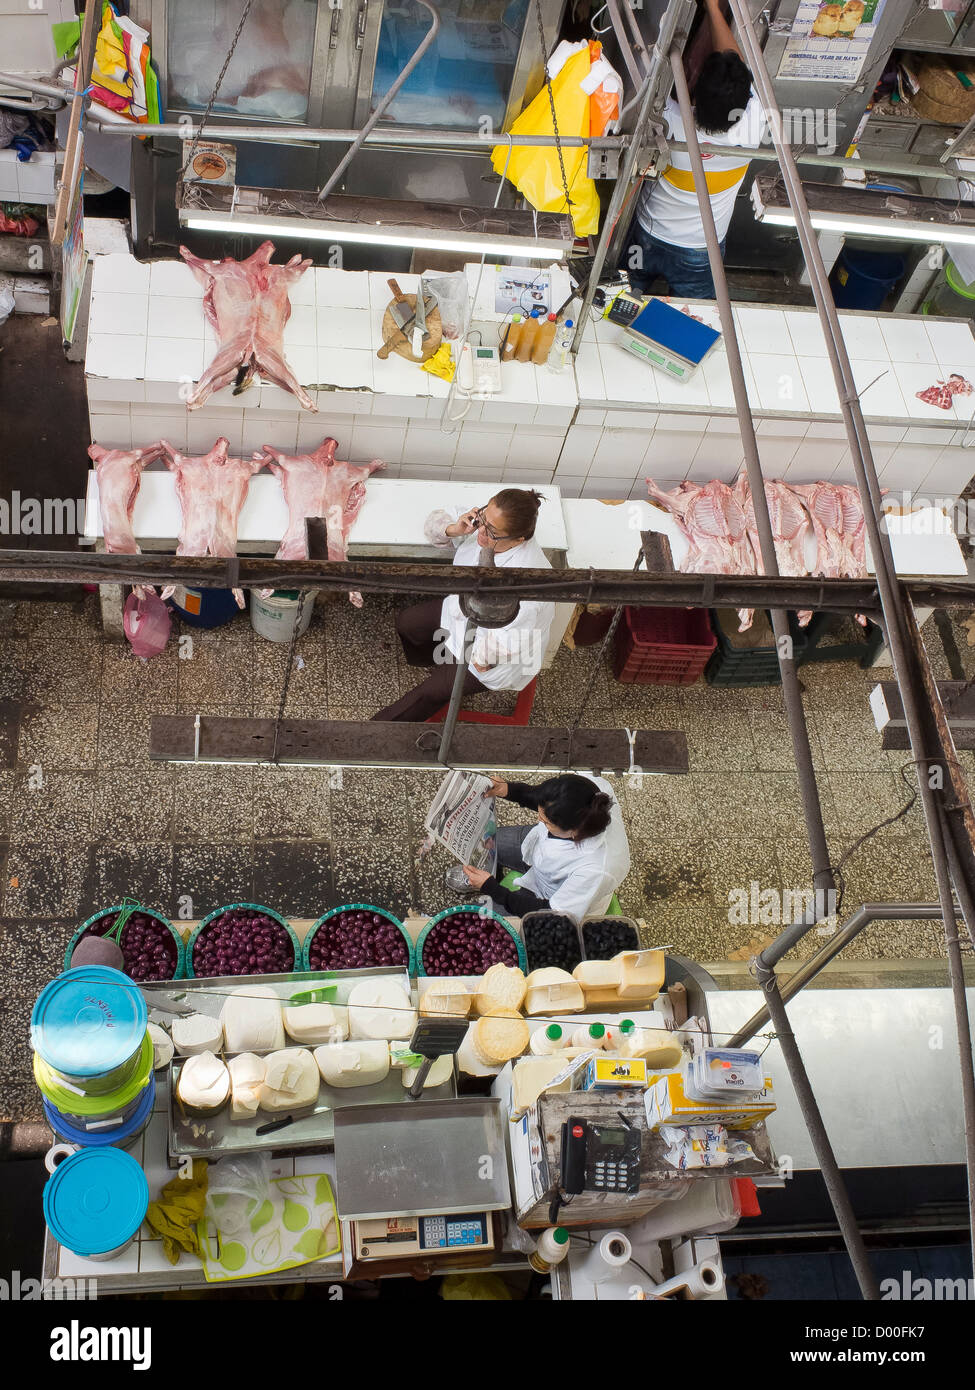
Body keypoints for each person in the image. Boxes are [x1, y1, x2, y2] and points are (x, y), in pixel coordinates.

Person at [372, 488, 555, 722]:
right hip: (462, 610)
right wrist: (454, 529)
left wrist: (468, 662)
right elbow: (436, 520)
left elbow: (505, 645)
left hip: (493, 652)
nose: (481, 531)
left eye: (492, 532)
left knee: (428, 694)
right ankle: (433, 661)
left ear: (519, 540)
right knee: (408, 623)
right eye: (483, 519)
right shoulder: (485, 522)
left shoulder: (529, 583)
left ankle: (369, 735)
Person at [625, 0, 767, 300]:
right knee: (690, 316)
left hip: (646, 238)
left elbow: (663, 58)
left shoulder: (669, 117)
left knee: (624, 299)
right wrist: (718, 10)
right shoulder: (755, 123)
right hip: (700, 253)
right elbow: (738, 68)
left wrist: (711, 8)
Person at [462, 773, 631, 921]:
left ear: (574, 831)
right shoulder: (590, 792)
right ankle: (483, 874)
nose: (539, 818)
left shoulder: (595, 871)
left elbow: (552, 912)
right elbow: (545, 800)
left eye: (546, 821)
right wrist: (509, 790)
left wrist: (491, 887)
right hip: (540, 848)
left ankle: (482, 880)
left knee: (478, 921)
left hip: (549, 898)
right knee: (486, 840)